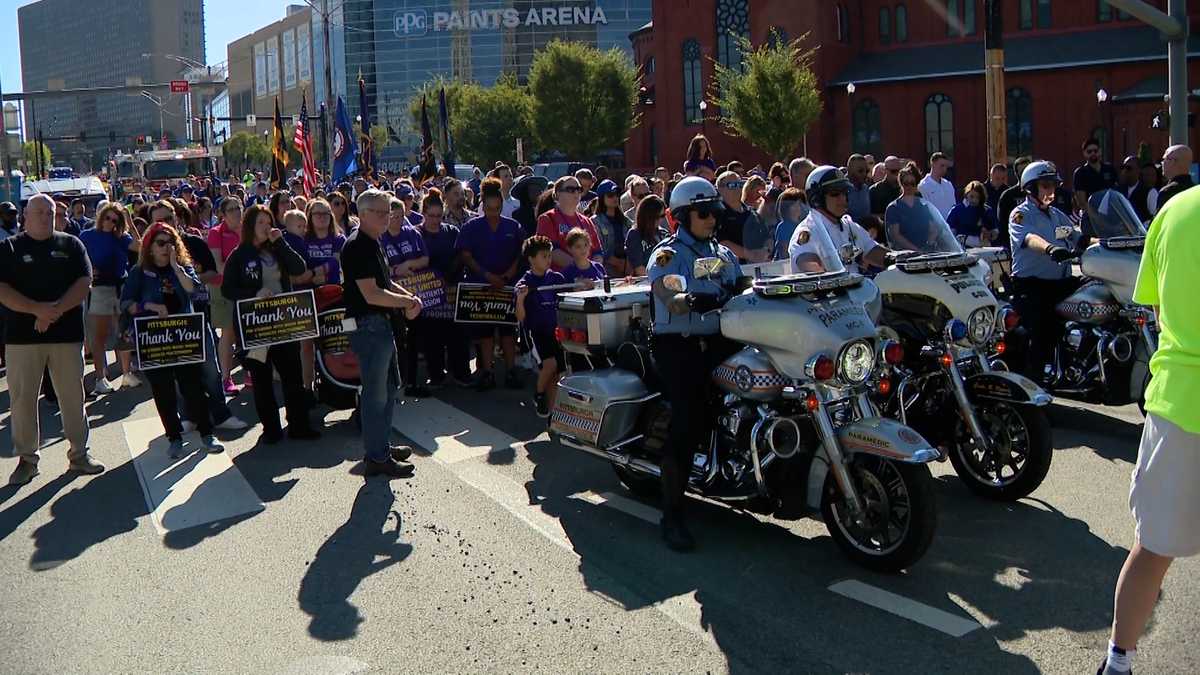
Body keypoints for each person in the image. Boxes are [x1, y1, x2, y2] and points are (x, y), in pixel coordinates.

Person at [1096, 184, 1200, 675]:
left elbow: (1156, 314)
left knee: (1152, 548)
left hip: (1179, 401)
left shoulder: (1176, 209)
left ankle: (1118, 662)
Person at [646, 176, 743, 551]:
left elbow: (742, 285)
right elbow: (668, 294)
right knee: (688, 419)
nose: (711, 219)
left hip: (719, 341)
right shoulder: (667, 254)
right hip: (678, 345)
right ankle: (671, 516)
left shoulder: (724, 253)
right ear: (683, 216)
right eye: (704, 213)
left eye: (715, 212)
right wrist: (691, 298)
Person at [0, 194, 103, 486]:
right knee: (22, 400)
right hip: (22, 339)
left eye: (50, 212)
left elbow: (85, 282)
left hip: (66, 335)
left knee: (72, 397)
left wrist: (52, 312)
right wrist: (36, 310)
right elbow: (2, 288)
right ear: (26, 216)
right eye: (39, 212)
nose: (46, 216)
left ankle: (80, 455)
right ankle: (27, 460)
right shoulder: (9, 248)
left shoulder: (71, 244)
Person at [120, 223, 224, 458]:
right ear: (150, 247)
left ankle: (207, 434)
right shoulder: (139, 272)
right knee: (163, 391)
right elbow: (126, 303)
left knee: (192, 387)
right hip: (154, 339)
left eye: (171, 243)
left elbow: (194, 290)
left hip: (182, 336)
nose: (166, 248)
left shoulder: (183, 268)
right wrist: (149, 306)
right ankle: (174, 436)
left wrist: (177, 268)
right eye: (161, 243)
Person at [220, 204, 320, 444]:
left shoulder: (277, 248)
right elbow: (227, 289)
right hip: (256, 325)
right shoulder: (240, 254)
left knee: (292, 376)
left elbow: (299, 268)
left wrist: (281, 243)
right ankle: (271, 429)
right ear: (250, 227)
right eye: (261, 223)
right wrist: (254, 292)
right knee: (262, 381)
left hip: (283, 321)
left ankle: (299, 425)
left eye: (268, 222)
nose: (266, 227)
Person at [342, 189, 422, 478]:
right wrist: (406, 303)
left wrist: (410, 298)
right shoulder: (358, 246)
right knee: (376, 396)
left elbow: (385, 282)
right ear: (362, 214)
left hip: (381, 325)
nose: (386, 216)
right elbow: (372, 294)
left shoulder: (374, 242)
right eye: (378, 211)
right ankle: (376, 457)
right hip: (368, 325)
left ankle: (381, 447)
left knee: (387, 391)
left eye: (387, 211)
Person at [1008, 161, 1083, 381]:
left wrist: (1106, 243)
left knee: (1096, 290)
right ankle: (1034, 389)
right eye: (1046, 185)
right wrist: (1051, 248)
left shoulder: (1057, 215)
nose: (1051, 190)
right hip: (1033, 286)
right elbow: (1030, 238)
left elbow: (1078, 237)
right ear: (1031, 188)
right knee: (1038, 336)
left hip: (1060, 284)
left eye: (1053, 185)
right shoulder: (1020, 215)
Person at [458, 178, 525, 391]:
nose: (493, 212)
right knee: (485, 333)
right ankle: (487, 372)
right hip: (481, 287)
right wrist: (487, 276)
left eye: (497, 208)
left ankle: (511, 371)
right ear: (482, 206)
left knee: (508, 331)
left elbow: (520, 254)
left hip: (507, 286)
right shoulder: (472, 227)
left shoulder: (512, 226)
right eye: (489, 208)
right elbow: (466, 256)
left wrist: (507, 276)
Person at [79, 203, 140, 394]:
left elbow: (140, 246)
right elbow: (79, 256)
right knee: (100, 335)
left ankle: (126, 373)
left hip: (120, 286)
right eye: (108, 218)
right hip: (99, 288)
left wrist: (129, 220)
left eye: (115, 220)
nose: (110, 222)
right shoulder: (87, 235)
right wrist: (88, 270)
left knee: (123, 331)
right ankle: (100, 377)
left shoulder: (121, 237)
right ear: (101, 217)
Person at [791, 166, 891, 273]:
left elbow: (874, 251)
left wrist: (901, 258)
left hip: (854, 288)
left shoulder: (848, 225)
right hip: (827, 289)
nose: (843, 198)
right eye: (835, 193)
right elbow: (807, 264)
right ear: (817, 199)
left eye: (845, 192)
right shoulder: (809, 231)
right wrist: (825, 275)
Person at [416, 189, 471, 385]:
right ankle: (436, 374)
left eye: (439, 216)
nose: (435, 220)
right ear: (423, 214)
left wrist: (448, 276)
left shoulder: (451, 231)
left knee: (457, 336)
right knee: (433, 338)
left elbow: (461, 256)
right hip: (428, 293)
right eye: (431, 216)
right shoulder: (416, 234)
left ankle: (461, 373)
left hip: (451, 289)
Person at [382, 196, 432, 397]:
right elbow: (381, 269)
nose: (397, 220)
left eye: (400, 216)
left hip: (415, 292)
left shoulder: (412, 233)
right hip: (392, 296)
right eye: (392, 216)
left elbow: (425, 259)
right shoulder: (380, 237)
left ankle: (411, 381)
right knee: (396, 340)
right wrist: (396, 270)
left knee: (414, 339)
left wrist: (408, 265)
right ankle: (395, 381)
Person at [515, 235, 567, 418]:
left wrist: (582, 284)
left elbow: (570, 294)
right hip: (535, 332)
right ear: (531, 258)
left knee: (558, 373)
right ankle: (538, 393)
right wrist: (521, 299)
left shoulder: (557, 278)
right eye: (544, 256)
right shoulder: (524, 283)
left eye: (550, 255)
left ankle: (552, 414)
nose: (548, 260)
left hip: (555, 331)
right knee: (550, 364)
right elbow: (520, 317)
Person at [208, 197, 245, 395]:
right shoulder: (216, 233)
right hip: (222, 287)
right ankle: (225, 377)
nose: (236, 212)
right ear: (222, 214)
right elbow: (218, 265)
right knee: (228, 332)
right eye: (231, 209)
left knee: (248, 330)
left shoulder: (248, 229)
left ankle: (251, 372)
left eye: (238, 208)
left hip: (246, 287)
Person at [536, 175, 603, 271]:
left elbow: (597, 252)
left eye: (579, 189)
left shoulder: (587, 221)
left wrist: (593, 269)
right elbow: (551, 251)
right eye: (570, 189)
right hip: (561, 281)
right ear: (558, 194)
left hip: (588, 280)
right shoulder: (547, 219)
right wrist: (582, 267)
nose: (576, 192)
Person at [714, 170, 768, 263]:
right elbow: (721, 243)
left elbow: (766, 235)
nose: (738, 188)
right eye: (732, 185)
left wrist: (767, 250)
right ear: (720, 189)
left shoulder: (751, 212)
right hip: (735, 266)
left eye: (740, 184)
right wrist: (751, 255)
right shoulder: (717, 214)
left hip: (761, 264)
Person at [588, 179, 629, 276]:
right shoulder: (594, 222)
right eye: (610, 195)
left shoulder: (626, 221)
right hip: (607, 269)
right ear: (602, 198)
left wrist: (627, 264)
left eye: (617, 194)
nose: (615, 197)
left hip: (628, 268)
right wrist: (617, 262)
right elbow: (597, 248)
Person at [1073, 137, 1119, 220]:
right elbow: (1081, 202)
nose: (1093, 153)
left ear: (1100, 151)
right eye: (1089, 152)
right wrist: (1097, 217)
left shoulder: (1109, 169)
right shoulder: (1080, 173)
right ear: (1084, 153)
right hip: (1090, 218)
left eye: (1095, 151)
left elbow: (1116, 193)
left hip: (1111, 215)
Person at [946, 180, 1000, 247]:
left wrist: (990, 234)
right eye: (971, 196)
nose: (974, 200)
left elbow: (994, 231)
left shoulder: (987, 210)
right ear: (966, 194)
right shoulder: (957, 210)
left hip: (983, 249)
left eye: (977, 197)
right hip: (962, 249)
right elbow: (949, 234)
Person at [624, 195, 668, 276]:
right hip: (645, 282)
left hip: (666, 279)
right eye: (656, 217)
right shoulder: (635, 234)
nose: (660, 220)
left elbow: (669, 263)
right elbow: (639, 269)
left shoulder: (664, 234)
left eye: (662, 216)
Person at [1154, 144, 1194, 212]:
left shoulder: (1167, 192)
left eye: (1164, 159)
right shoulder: (1195, 190)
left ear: (1172, 161)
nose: (1162, 163)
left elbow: (1158, 221)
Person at [771, 188, 807, 261]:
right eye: (794, 205)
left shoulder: (805, 225)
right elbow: (785, 254)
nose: (798, 207)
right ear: (786, 208)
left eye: (799, 204)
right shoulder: (783, 227)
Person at [918, 152, 956, 218]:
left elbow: (953, 206)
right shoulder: (923, 186)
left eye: (946, 166)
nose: (944, 169)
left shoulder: (948, 185)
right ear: (932, 164)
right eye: (942, 166)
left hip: (949, 226)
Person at [1118, 156, 1155, 223]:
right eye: (1123, 167)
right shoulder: (1117, 191)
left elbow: (1155, 217)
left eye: (1128, 168)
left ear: (1138, 170)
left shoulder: (1150, 192)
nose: (1124, 171)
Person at [869, 155, 903, 221]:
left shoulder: (905, 188)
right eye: (893, 171)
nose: (897, 175)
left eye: (899, 171)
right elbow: (870, 215)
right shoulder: (874, 191)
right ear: (885, 170)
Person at [845, 154, 873, 222]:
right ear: (849, 170)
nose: (864, 174)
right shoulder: (841, 189)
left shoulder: (865, 188)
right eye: (860, 171)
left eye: (866, 171)